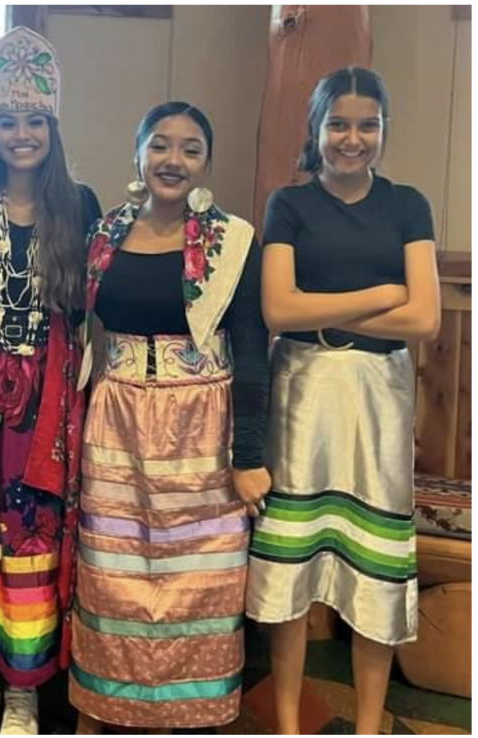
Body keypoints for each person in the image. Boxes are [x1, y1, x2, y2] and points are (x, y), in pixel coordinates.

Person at [246, 67, 441, 736]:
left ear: (384, 130)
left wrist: (329, 314)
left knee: (374, 572)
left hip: (379, 396)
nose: (352, 139)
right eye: (338, 125)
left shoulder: (408, 203)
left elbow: (426, 322)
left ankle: (365, 726)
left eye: (366, 125)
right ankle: (292, 725)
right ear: (316, 129)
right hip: (301, 392)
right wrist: (383, 295)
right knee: (292, 574)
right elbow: (277, 307)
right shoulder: (288, 204)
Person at [69, 102, 271, 733]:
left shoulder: (231, 242)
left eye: (189, 148)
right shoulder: (102, 235)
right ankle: (107, 708)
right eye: (160, 145)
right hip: (118, 422)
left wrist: (250, 459)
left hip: (202, 427)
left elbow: (252, 350)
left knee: (201, 578)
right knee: (112, 573)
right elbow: (81, 334)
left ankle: (197, 714)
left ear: (205, 162)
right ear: (138, 155)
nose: (173, 160)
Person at [0, 26, 102, 736]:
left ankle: (28, 684)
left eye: (34, 122)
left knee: (35, 528)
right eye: (8, 123)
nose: (21, 135)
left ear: (53, 128)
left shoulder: (81, 205)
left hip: (51, 392)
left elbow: (93, 300)